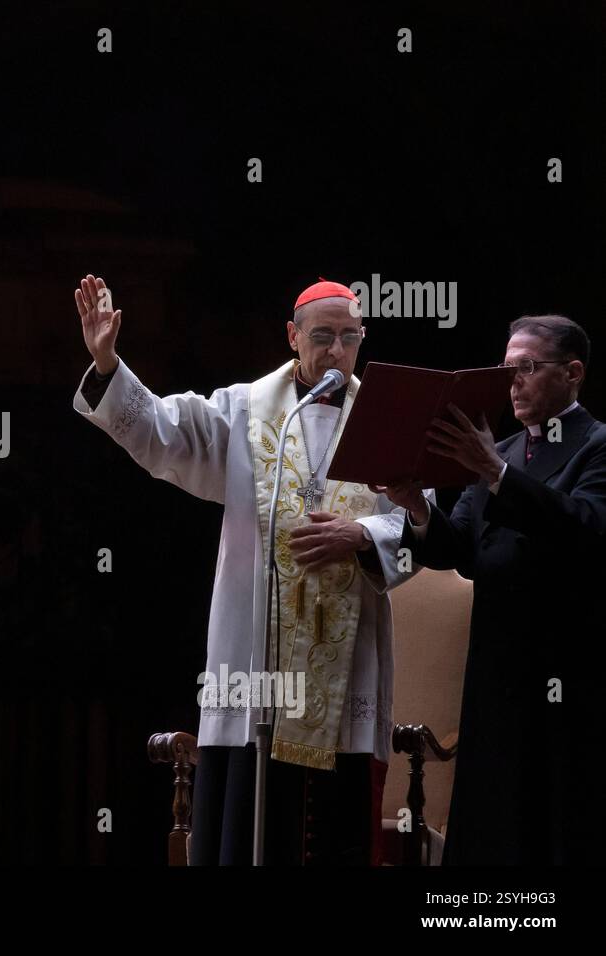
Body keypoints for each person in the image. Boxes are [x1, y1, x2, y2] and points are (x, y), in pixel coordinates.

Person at [72, 275, 419, 864]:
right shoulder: (248, 410)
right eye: (323, 336)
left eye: (350, 337)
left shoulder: (388, 420)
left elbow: (424, 520)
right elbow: (164, 434)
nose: (336, 350)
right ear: (292, 336)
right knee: (251, 821)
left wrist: (363, 533)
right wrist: (107, 363)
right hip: (258, 662)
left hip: (347, 657)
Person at [380, 314, 606, 864]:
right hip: (494, 665)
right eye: (506, 369)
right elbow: (457, 548)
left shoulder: (596, 444)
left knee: (551, 816)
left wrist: (494, 474)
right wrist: (415, 504)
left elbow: (584, 528)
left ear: (572, 372)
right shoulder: (499, 450)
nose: (512, 381)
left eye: (526, 367)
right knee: (491, 816)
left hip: (561, 665)